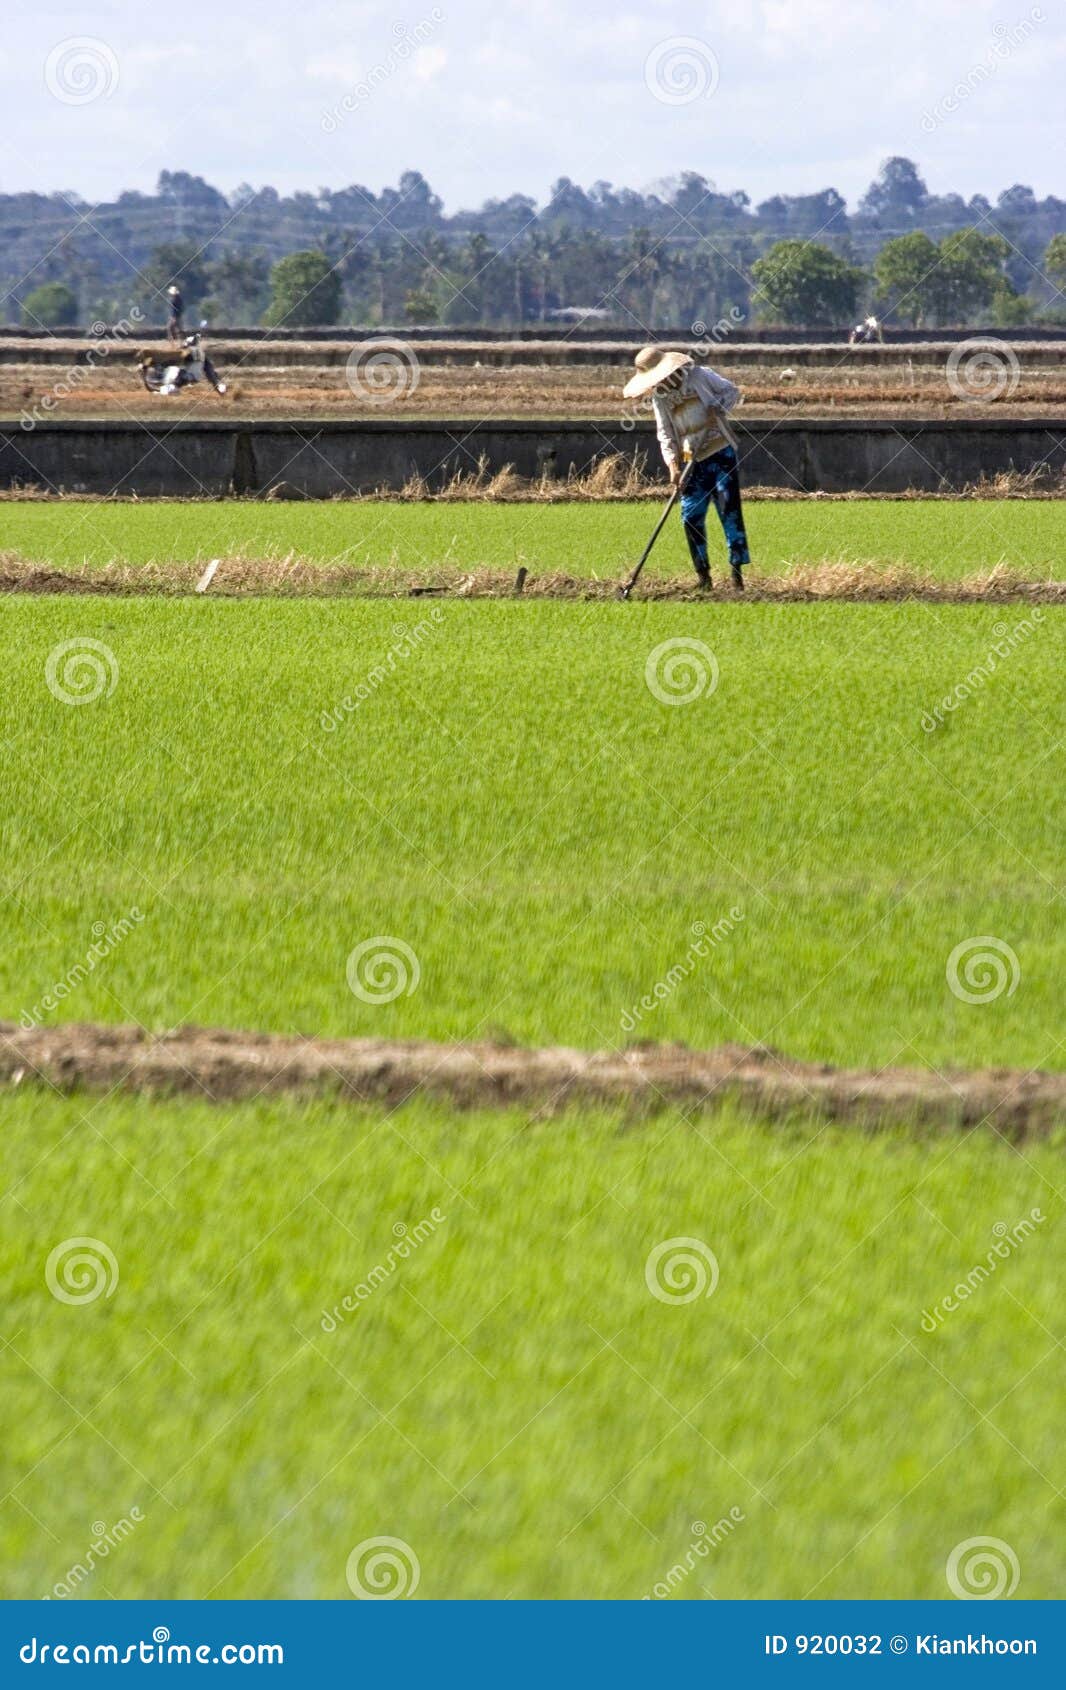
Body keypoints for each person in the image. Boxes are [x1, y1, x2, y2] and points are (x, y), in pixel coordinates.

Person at [623, 345, 749, 591]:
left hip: (720, 451)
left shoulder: (700, 376)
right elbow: (665, 433)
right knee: (690, 516)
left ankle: (736, 574)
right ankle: (703, 577)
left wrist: (717, 409)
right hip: (692, 458)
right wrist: (672, 465)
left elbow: (731, 391)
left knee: (729, 510)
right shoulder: (660, 398)